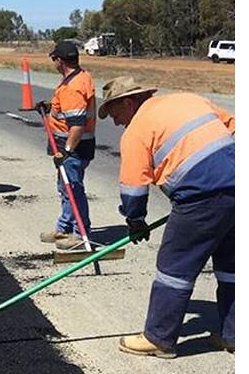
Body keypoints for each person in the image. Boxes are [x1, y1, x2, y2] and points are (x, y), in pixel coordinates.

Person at [99, 76, 235, 358]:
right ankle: (232, 335)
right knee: (232, 266)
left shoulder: (137, 129)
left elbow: (134, 188)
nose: (115, 122)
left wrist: (135, 221)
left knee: (174, 268)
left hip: (201, 198)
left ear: (128, 102)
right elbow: (234, 127)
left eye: (114, 113)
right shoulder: (187, 99)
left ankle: (159, 338)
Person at [37, 41, 97, 251]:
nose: (53, 63)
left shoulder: (73, 87)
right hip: (69, 145)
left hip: (73, 147)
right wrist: (50, 107)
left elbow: (77, 125)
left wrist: (67, 151)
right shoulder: (78, 78)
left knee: (73, 188)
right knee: (65, 187)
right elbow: (68, 111)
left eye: (54, 59)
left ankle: (81, 234)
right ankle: (64, 227)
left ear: (60, 61)